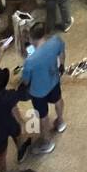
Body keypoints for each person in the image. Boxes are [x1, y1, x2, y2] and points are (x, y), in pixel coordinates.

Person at [20, 21, 66, 154]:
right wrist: (61, 66)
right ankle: (60, 121)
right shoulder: (56, 41)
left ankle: (47, 142)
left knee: (43, 116)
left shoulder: (30, 60)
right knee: (58, 100)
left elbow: (26, 80)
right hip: (54, 80)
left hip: (38, 92)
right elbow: (62, 55)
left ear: (32, 38)